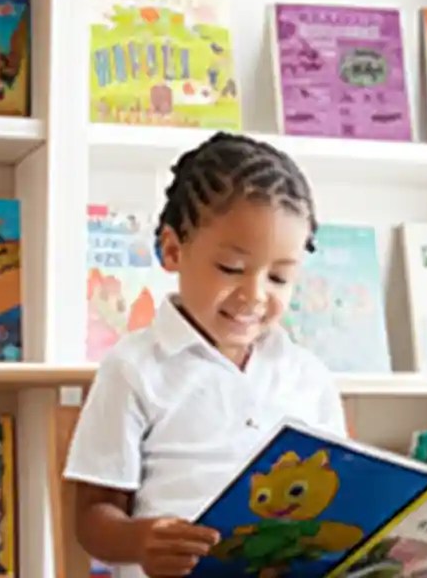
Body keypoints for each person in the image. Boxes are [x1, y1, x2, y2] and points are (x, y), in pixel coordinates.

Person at [64, 132, 348, 578]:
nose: (255, 295)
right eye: (231, 269)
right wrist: (143, 539)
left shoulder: (308, 376)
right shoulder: (135, 368)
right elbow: (93, 518)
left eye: (278, 277)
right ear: (174, 250)